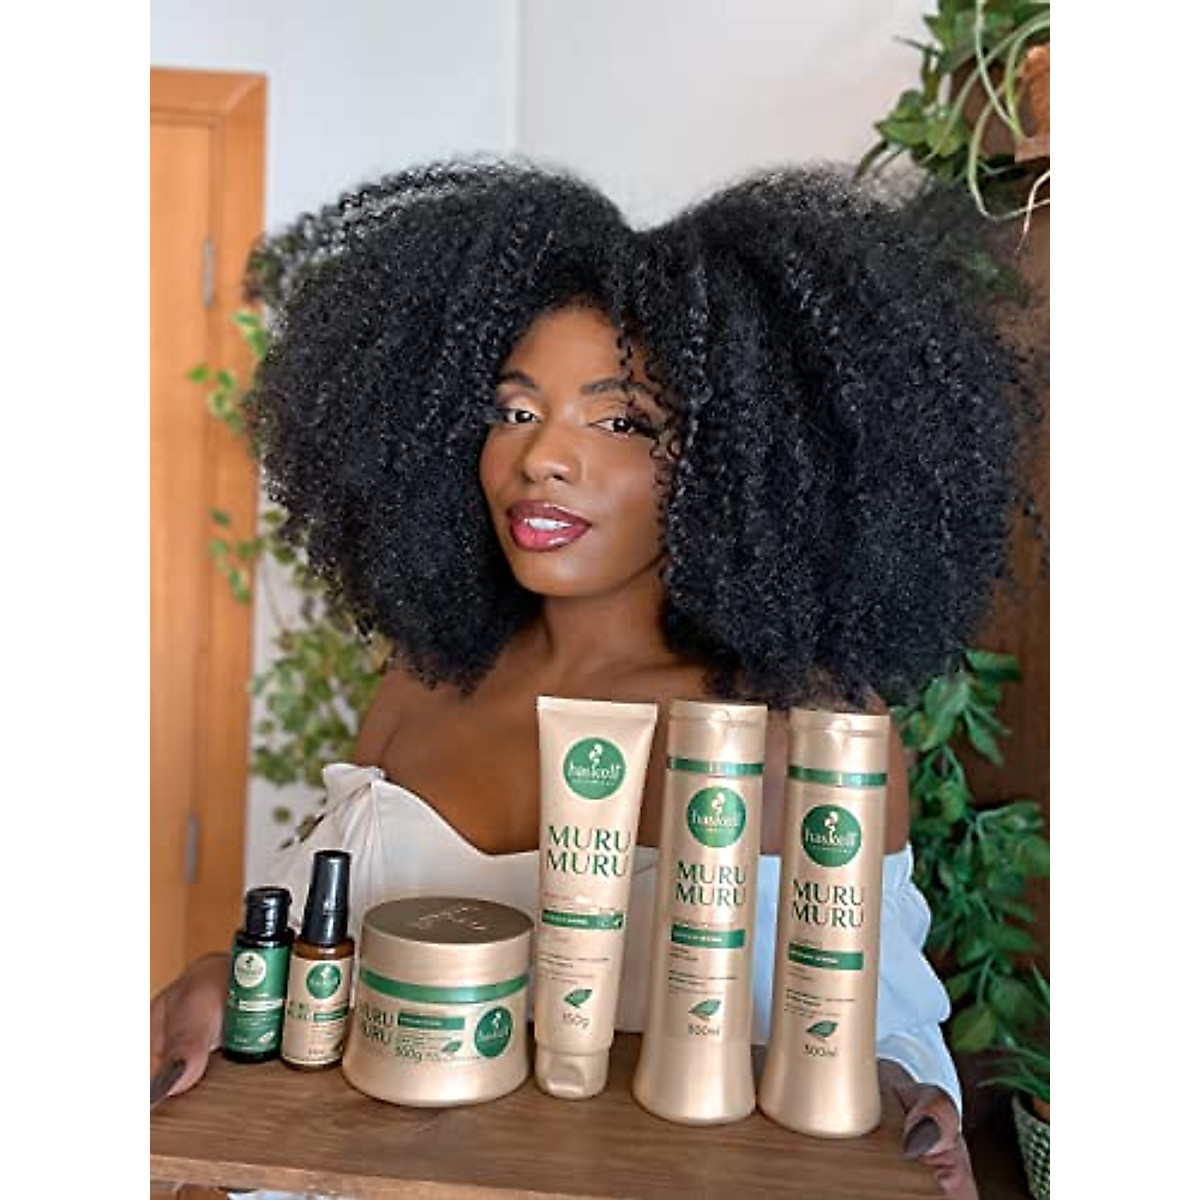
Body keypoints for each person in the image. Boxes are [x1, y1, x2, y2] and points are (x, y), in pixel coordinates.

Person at [152, 160, 1033, 1199]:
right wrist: (227, 985)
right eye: (514, 409)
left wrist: (892, 1098)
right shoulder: (418, 688)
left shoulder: (806, 733)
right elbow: (328, 968)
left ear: (738, 461)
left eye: (622, 423)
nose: (542, 459)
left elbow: (882, 1026)